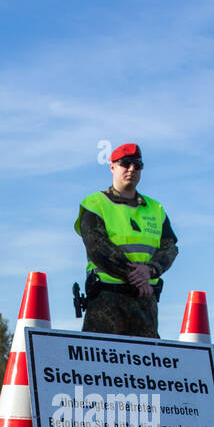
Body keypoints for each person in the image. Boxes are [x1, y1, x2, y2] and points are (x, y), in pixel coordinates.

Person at [73, 143, 178, 337]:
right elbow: (97, 247)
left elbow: (170, 247)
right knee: (100, 360)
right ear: (112, 167)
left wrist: (150, 270)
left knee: (147, 361)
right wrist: (137, 276)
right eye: (126, 164)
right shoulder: (95, 203)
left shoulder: (156, 208)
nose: (131, 169)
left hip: (145, 302)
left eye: (137, 166)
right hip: (106, 298)